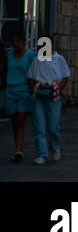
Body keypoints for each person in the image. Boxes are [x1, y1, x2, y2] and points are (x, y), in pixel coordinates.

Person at [29, 40, 71, 165]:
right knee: (39, 126)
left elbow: (65, 76)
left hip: (53, 95)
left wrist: (58, 89)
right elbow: (30, 77)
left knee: (53, 125)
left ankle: (55, 146)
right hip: (40, 95)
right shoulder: (37, 60)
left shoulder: (59, 59)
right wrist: (34, 90)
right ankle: (41, 154)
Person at [3, 27, 36, 162]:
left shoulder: (30, 55)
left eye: (17, 42)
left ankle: (19, 150)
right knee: (14, 121)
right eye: (13, 42)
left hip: (23, 90)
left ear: (23, 41)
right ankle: (18, 146)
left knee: (21, 120)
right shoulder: (9, 55)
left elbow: (33, 72)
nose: (15, 44)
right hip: (10, 90)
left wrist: (34, 88)